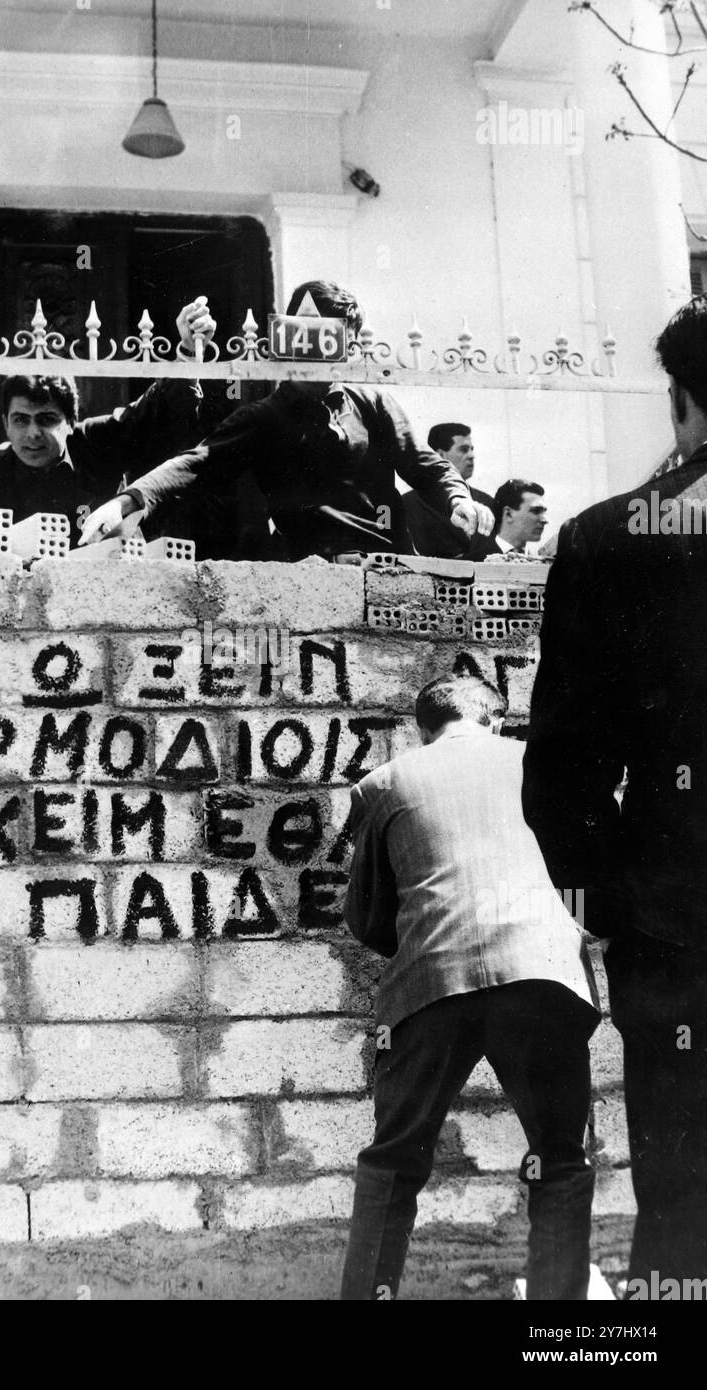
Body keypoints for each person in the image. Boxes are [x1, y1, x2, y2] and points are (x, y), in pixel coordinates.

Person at [522, 294, 707, 1289]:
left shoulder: (605, 537)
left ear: (679, 401)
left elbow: (564, 760)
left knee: (681, 1178)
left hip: (670, 904)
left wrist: (594, 901)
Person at [341, 675, 599, 1301]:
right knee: (559, 1160)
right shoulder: (542, 768)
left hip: (429, 983)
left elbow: (366, 915)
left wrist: (428, 944)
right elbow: (587, 877)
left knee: (393, 1163)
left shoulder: (383, 784)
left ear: (422, 729)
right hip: (540, 977)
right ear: (498, 718)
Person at [77, 281, 493, 560]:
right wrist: (126, 501)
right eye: (303, 335)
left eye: (324, 339)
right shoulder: (265, 416)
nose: (310, 353)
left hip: (391, 568)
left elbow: (429, 468)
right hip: (310, 574)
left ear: (347, 347)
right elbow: (199, 461)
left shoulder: (372, 404)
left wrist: (458, 500)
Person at [0, 299, 216, 551]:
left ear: (71, 421)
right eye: (21, 420)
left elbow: (162, 409)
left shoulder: (97, 440)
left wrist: (189, 351)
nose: (32, 434)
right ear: (5, 424)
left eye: (47, 419)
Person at [401, 422, 497, 561]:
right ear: (439, 455)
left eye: (471, 449)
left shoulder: (487, 502)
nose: (471, 455)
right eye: (463, 449)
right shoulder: (407, 505)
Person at [485, 478, 548, 556]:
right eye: (536, 511)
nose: (544, 520)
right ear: (509, 514)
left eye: (543, 512)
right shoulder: (477, 558)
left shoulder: (541, 562)